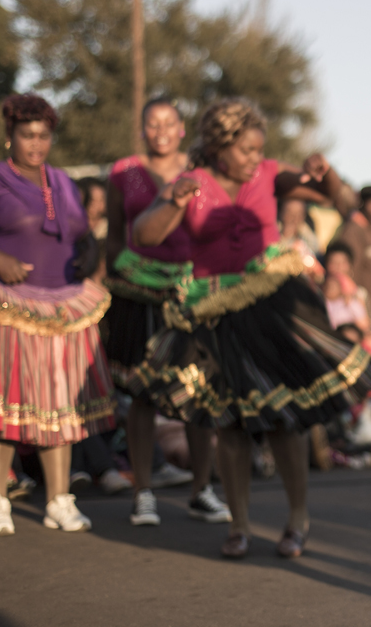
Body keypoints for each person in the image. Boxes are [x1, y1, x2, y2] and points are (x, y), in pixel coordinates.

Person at [131, 98, 371, 559]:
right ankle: (239, 524)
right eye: (245, 150)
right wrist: (173, 203)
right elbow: (144, 234)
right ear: (220, 146)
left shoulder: (269, 173)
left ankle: (297, 517)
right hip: (215, 311)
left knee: (287, 419)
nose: (253, 158)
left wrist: (327, 175)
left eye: (258, 149)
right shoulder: (192, 183)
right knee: (231, 423)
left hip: (270, 305)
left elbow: (343, 202)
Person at [0, 93, 114, 536]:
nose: (36, 144)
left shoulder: (63, 181)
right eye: (27, 135)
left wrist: (89, 254)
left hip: (61, 306)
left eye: (43, 135)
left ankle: (59, 499)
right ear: (9, 136)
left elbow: (84, 235)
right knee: (3, 402)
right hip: (6, 304)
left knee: (59, 406)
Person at [104, 96, 229, 528]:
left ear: (181, 128)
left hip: (191, 291)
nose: (160, 130)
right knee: (141, 392)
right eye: (151, 123)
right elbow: (116, 234)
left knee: (197, 391)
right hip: (138, 290)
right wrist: (115, 278)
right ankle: (143, 493)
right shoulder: (122, 171)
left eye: (168, 122)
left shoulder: (200, 171)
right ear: (142, 128)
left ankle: (201, 489)